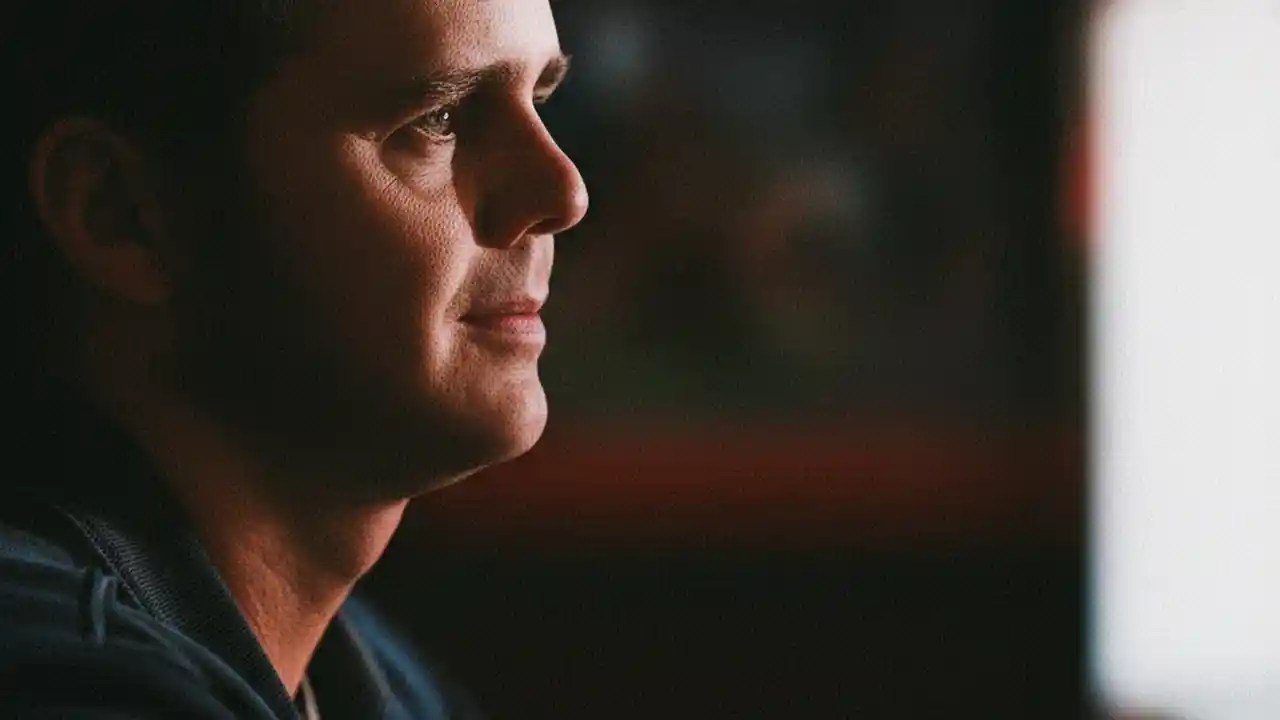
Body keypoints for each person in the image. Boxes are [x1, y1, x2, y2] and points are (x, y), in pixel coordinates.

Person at [0, 0, 588, 716]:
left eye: (540, 97)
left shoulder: (389, 685)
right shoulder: (64, 682)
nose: (564, 193)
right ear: (118, 212)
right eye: (440, 119)